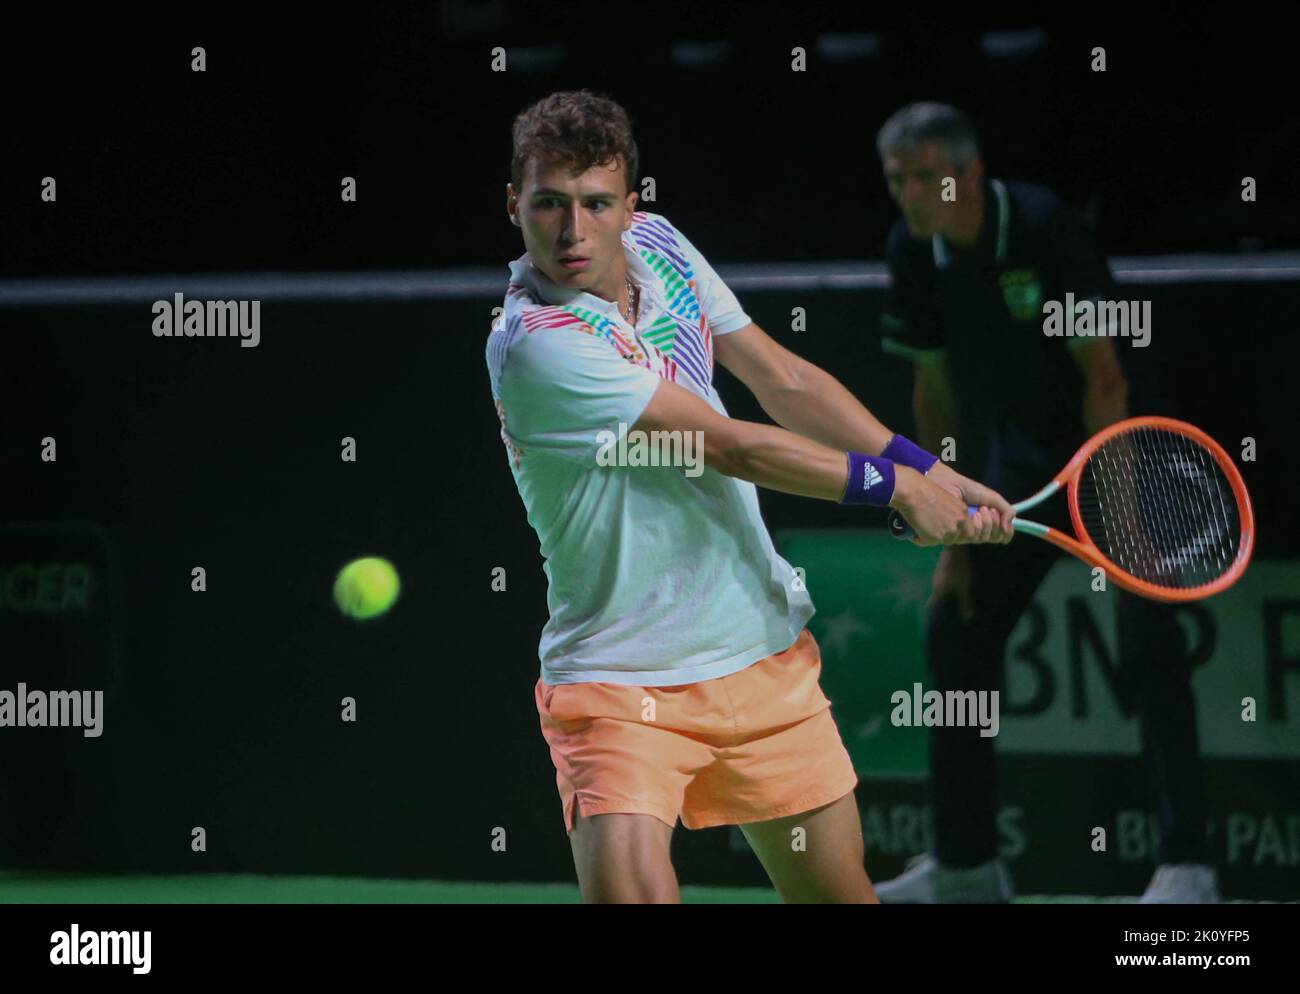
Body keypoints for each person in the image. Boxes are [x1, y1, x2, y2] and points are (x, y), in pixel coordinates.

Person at [486, 89, 1015, 904]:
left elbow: (783, 378)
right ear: (514, 203)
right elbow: (729, 445)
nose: (572, 231)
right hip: (622, 680)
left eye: (596, 204)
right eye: (549, 204)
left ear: (632, 205)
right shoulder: (537, 346)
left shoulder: (660, 246)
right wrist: (894, 489)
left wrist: (929, 471)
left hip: (760, 648)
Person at [873, 102, 1217, 903]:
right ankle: (966, 863)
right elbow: (935, 393)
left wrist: (1126, 522)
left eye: (927, 176)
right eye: (898, 180)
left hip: (1122, 446)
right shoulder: (911, 250)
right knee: (956, 631)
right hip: (1021, 464)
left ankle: (1187, 865)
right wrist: (953, 529)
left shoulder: (1042, 226)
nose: (912, 194)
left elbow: (1105, 378)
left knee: (1149, 643)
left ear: (970, 173)